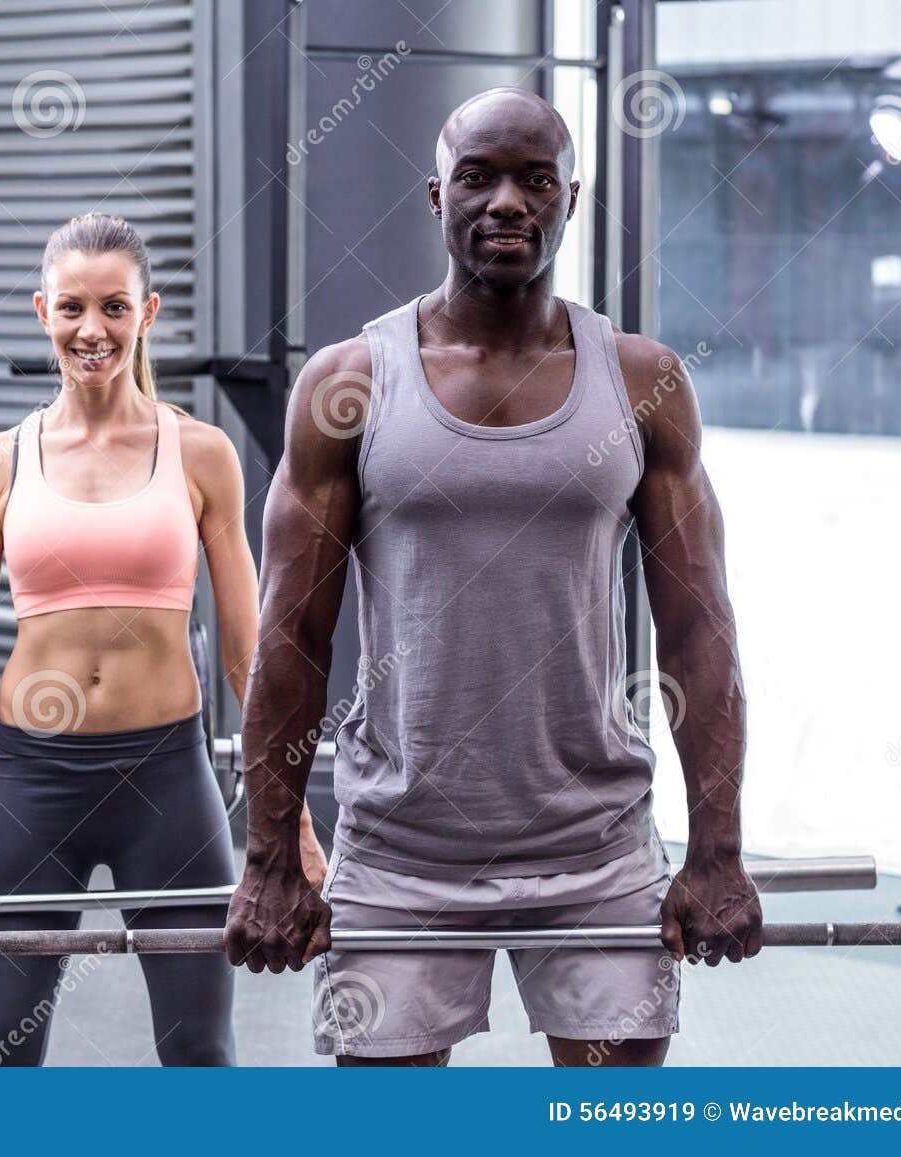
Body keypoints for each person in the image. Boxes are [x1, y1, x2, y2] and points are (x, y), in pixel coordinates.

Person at [223, 88, 763, 1067]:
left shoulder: (643, 381)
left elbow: (698, 629)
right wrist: (269, 855)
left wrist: (716, 847)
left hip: (594, 840)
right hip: (398, 844)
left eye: (535, 179)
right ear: (437, 197)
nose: (507, 200)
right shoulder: (348, 383)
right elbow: (289, 636)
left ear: (568, 199)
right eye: (478, 176)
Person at [0, 212, 325, 1066]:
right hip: (34, 782)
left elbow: (252, 655)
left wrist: (299, 826)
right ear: (41, 311)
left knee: (200, 1046)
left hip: (166, 780)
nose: (90, 330)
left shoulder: (201, 454)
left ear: (148, 312)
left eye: (112, 308)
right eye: (70, 309)